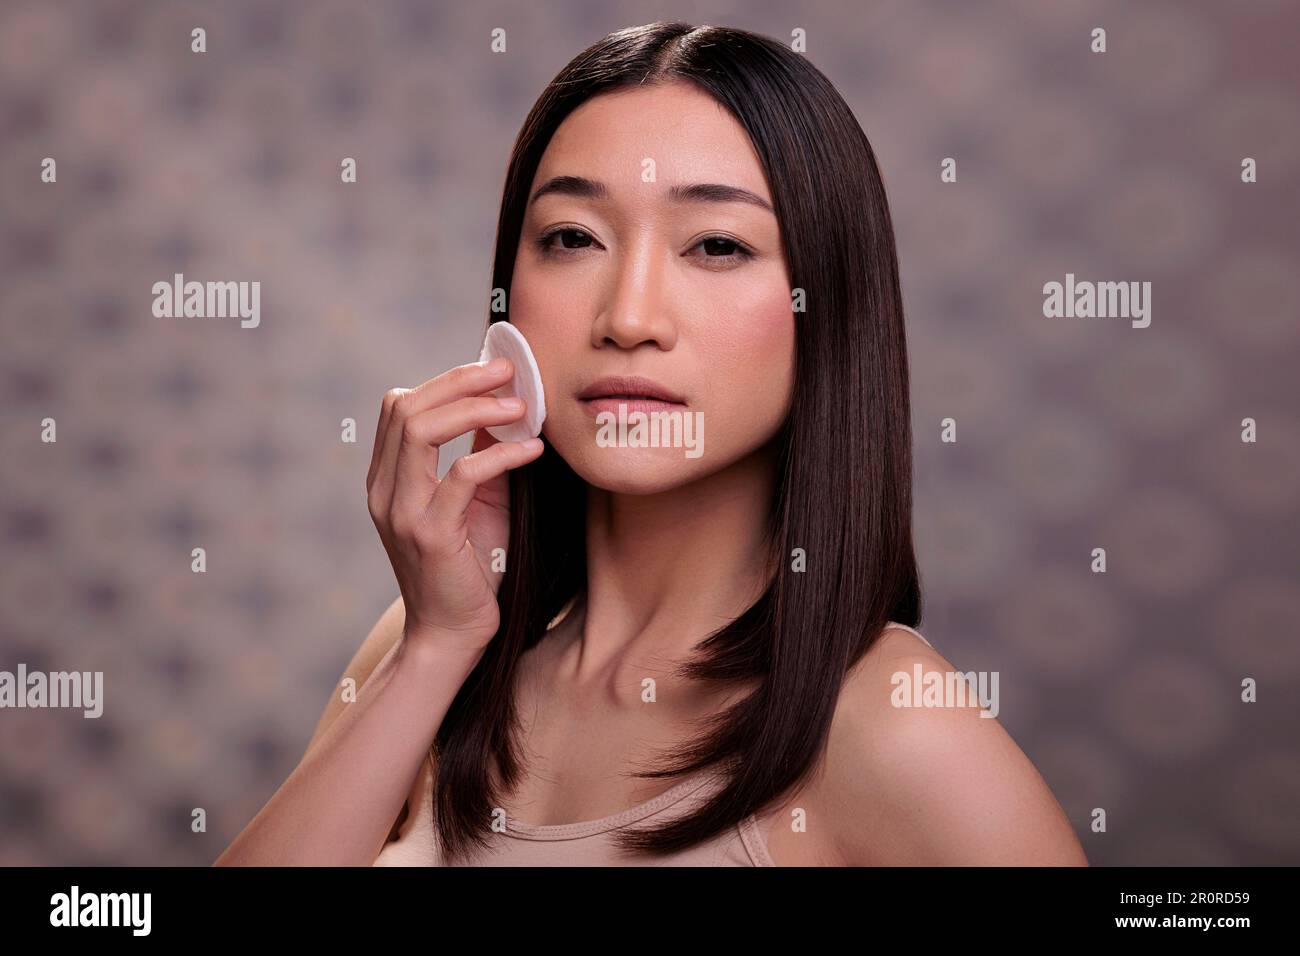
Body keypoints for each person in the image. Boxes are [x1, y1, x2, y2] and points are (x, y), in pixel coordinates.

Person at [216, 20, 1087, 867]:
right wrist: (435, 649)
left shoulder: (898, 730)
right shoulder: (432, 641)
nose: (628, 318)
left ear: (826, 308)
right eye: (571, 238)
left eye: (716, 245)